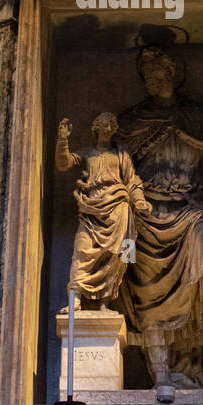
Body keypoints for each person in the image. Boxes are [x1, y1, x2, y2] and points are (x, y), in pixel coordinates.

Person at [115, 44, 203, 390]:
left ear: (173, 75)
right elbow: (112, 167)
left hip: (191, 210)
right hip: (146, 215)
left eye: (158, 74)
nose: (152, 81)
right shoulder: (133, 120)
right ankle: (160, 372)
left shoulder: (200, 117)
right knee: (140, 277)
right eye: (146, 76)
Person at [56, 112, 150, 307]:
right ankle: (75, 299)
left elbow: (132, 181)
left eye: (112, 126)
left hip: (118, 209)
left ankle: (105, 303)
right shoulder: (87, 152)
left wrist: (139, 200)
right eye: (104, 125)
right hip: (91, 210)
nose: (108, 129)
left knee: (115, 257)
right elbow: (63, 163)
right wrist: (63, 140)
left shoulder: (121, 154)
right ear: (96, 128)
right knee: (81, 250)